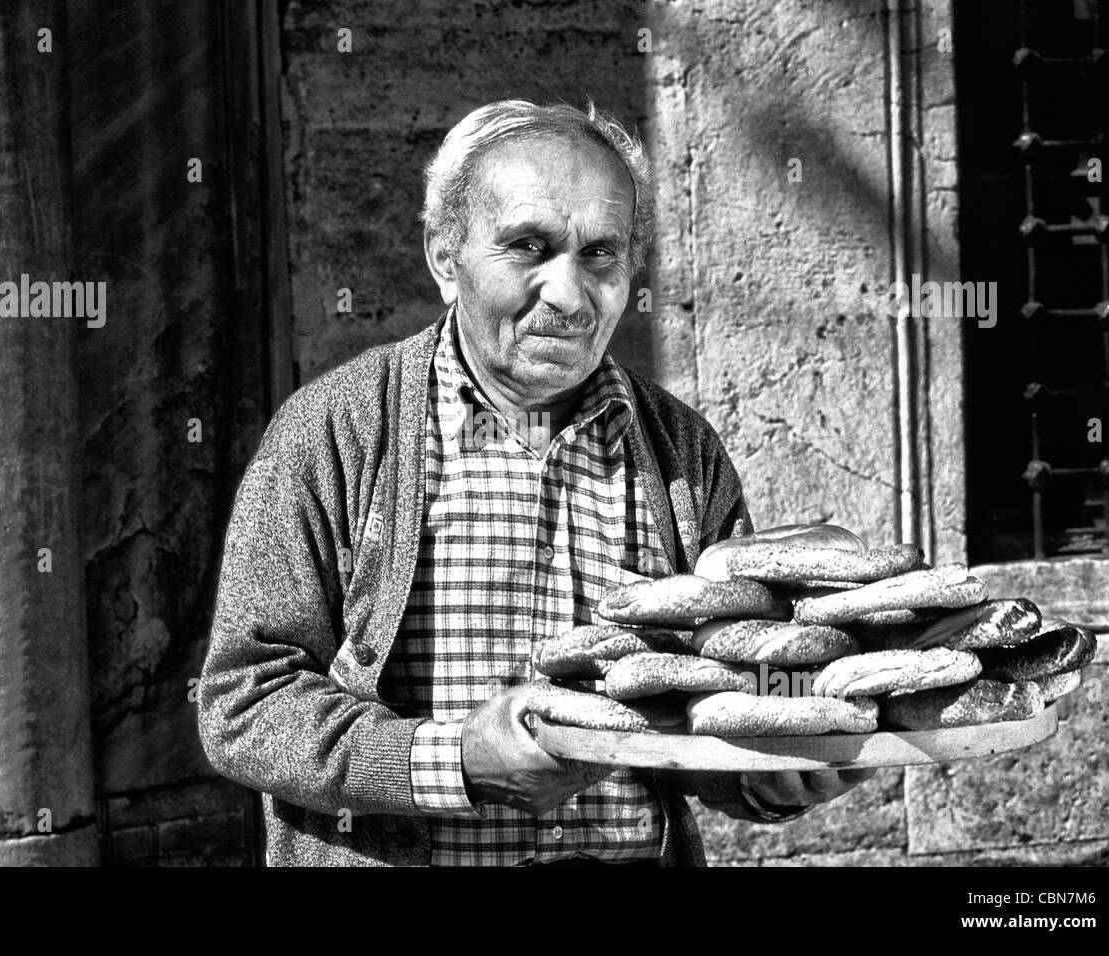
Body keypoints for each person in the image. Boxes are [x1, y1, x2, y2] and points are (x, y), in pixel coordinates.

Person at [197, 100, 874, 867]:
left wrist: (779, 768)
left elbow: (713, 712)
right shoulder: (332, 434)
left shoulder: (681, 452)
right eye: (529, 246)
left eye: (600, 255)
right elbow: (243, 705)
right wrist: (450, 760)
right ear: (444, 256)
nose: (568, 294)